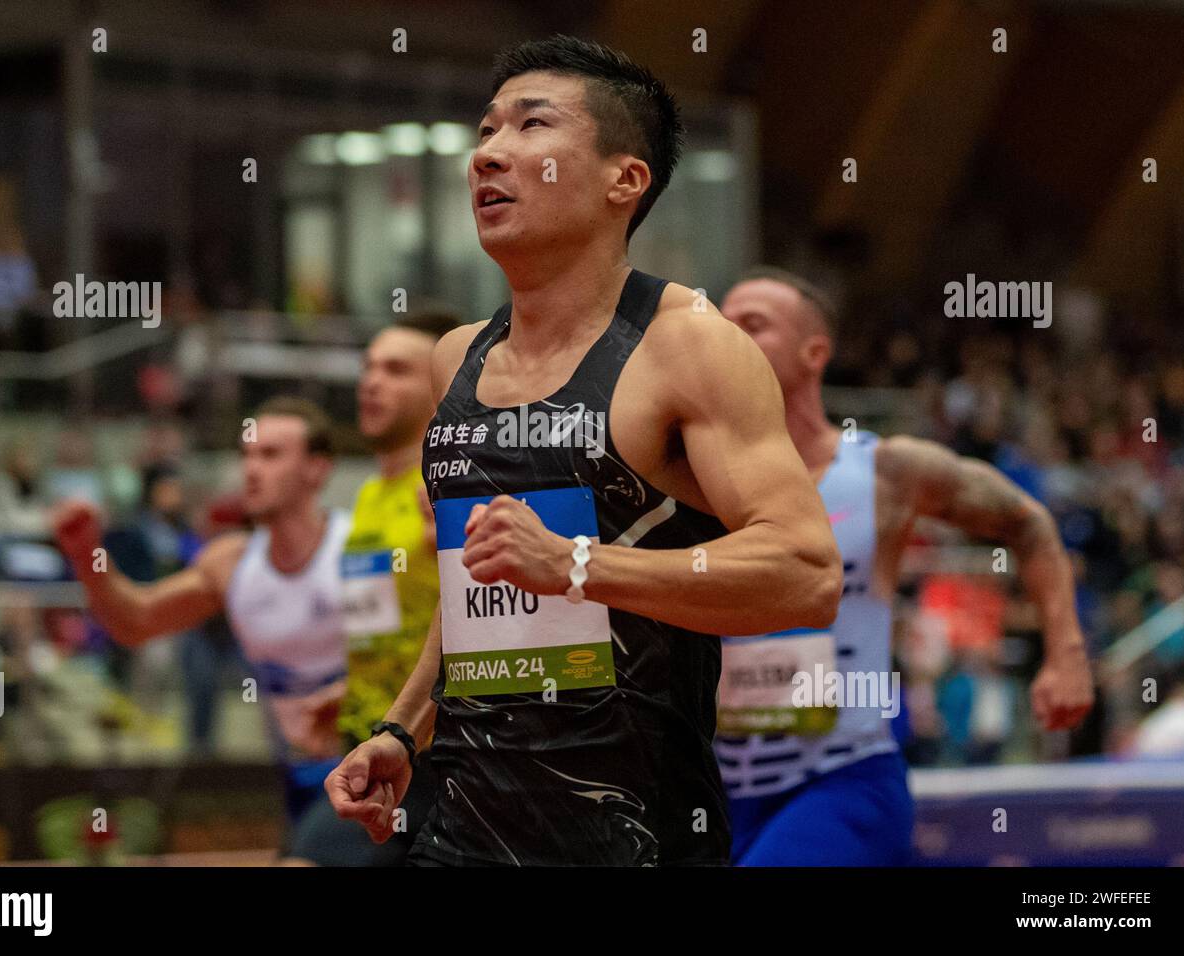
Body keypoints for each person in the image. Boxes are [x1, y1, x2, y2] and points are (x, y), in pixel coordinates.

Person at [326, 36, 842, 867]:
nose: (490, 152)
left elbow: (807, 574)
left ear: (623, 180)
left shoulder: (690, 349)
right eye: (486, 130)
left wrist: (574, 565)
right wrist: (403, 727)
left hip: (634, 837)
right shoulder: (454, 358)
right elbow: (478, 587)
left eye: (532, 127)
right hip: (463, 828)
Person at [714, 266, 1096, 865]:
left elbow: (1027, 522)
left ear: (815, 352)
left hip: (844, 780)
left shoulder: (884, 472)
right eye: (721, 322)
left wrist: (1065, 651)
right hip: (716, 793)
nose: (727, 336)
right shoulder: (685, 480)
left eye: (752, 324)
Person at [52, 396, 352, 858]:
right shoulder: (231, 562)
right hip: (300, 783)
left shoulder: (358, 547)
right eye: (247, 454)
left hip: (383, 778)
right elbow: (136, 621)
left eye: (271, 455)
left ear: (318, 469)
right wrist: (87, 557)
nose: (251, 469)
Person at [288, 311, 454, 865]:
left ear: (443, 385)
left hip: (438, 756)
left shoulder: (451, 484)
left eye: (396, 369)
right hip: (365, 743)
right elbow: (392, 624)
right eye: (368, 368)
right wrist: (346, 692)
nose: (371, 381)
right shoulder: (368, 496)